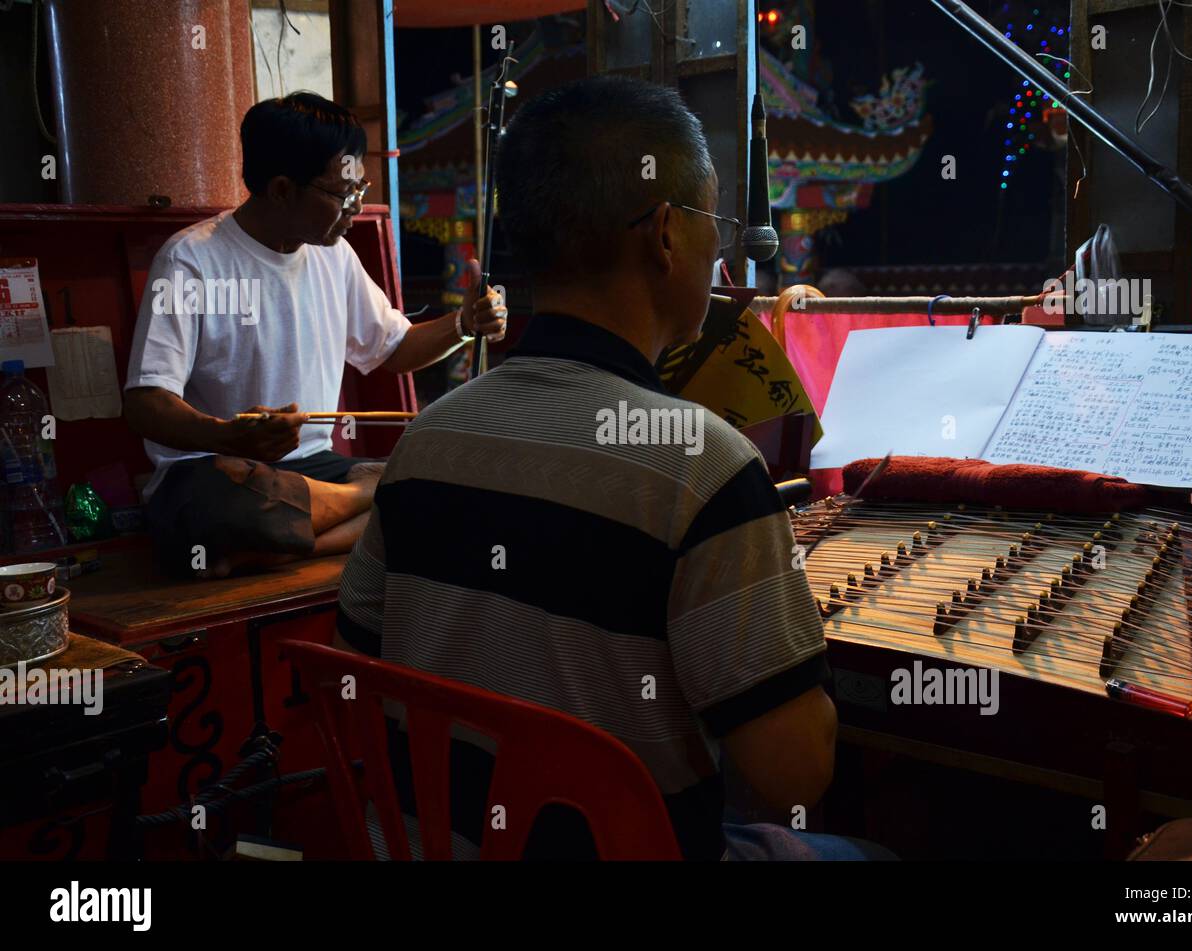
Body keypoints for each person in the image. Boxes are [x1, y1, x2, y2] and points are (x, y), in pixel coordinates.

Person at [337, 76, 891, 861]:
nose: (720, 248)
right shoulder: (705, 467)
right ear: (666, 234)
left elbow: (358, 654)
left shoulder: (426, 442)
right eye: (715, 223)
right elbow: (796, 773)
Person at [124, 92, 505, 579]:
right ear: (281, 189)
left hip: (312, 472)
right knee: (220, 512)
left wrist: (465, 324)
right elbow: (145, 402)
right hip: (219, 472)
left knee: (457, 492)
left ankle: (275, 548)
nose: (355, 207)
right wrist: (229, 435)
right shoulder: (190, 261)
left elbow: (395, 348)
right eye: (342, 194)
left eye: (361, 189)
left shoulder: (335, 255)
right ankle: (373, 494)